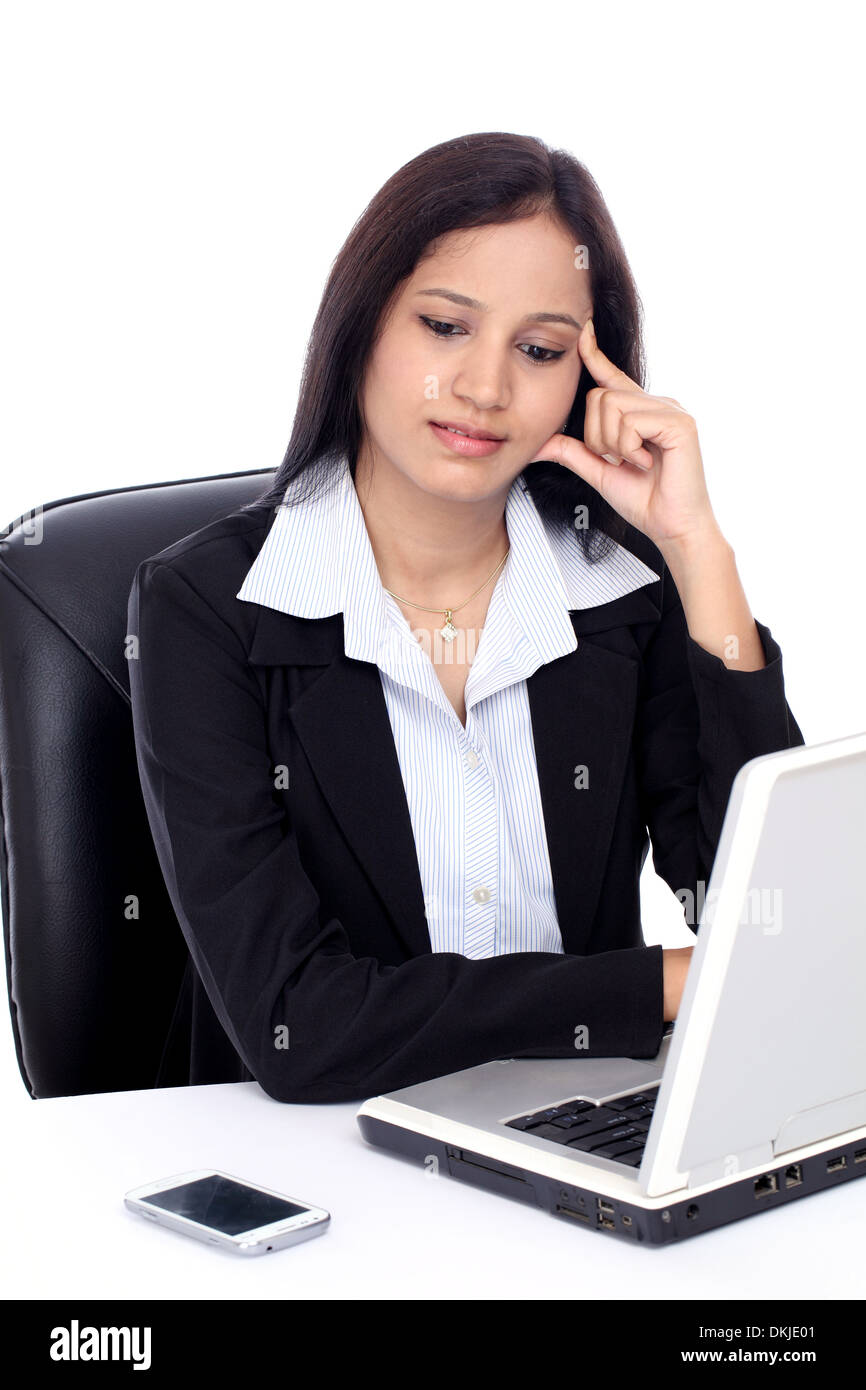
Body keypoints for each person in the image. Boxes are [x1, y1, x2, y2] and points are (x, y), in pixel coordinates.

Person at [127, 131, 803, 1102]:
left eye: (538, 350)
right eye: (444, 327)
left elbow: (764, 918)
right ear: (361, 326)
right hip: (319, 1165)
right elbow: (299, 1028)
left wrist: (699, 554)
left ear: (587, 378)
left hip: (571, 1132)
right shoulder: (205, 611)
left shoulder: (618, 591)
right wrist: (655, 983)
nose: (485, 388)